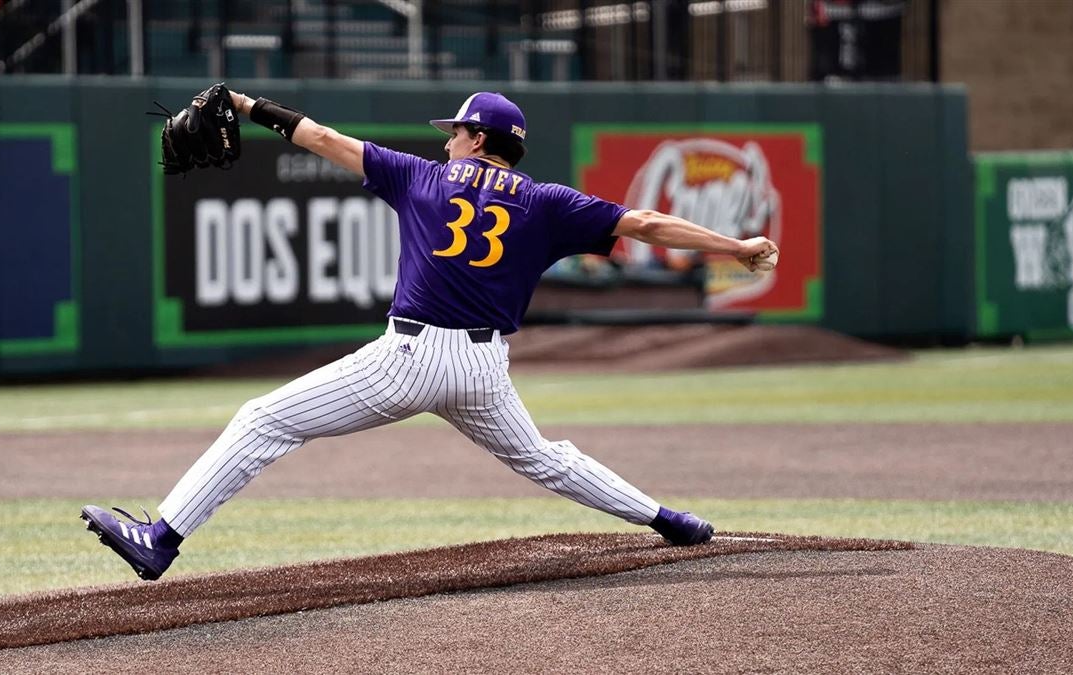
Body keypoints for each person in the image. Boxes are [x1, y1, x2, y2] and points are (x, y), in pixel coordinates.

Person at [82, 91, 779, 581]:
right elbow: (648, 224)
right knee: (547, 459)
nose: (447, 140)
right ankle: (669, 520)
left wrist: (245, 104)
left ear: (476, 138)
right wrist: (737, 247)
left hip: (410, 357)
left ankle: (161, 537)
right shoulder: (547, 202)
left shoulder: (422, 176)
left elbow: (321, 138)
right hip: (482, 368)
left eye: (455, 131)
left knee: (263, 419)